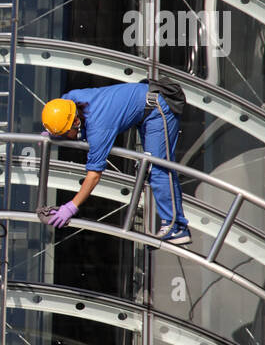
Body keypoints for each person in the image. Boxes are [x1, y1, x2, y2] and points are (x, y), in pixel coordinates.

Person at [40, 79, 191, 245]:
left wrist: (71, 206)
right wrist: (54, 133)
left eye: (64, 133)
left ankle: (177, 227)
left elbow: (94, 176)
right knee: (151, 168)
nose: (62, 137)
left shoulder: (99, 127)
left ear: (76, 122)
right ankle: (173, 223)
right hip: (144, 107)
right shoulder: (68, 100)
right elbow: (66, 119)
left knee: (158, 169)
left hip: (157, 108)